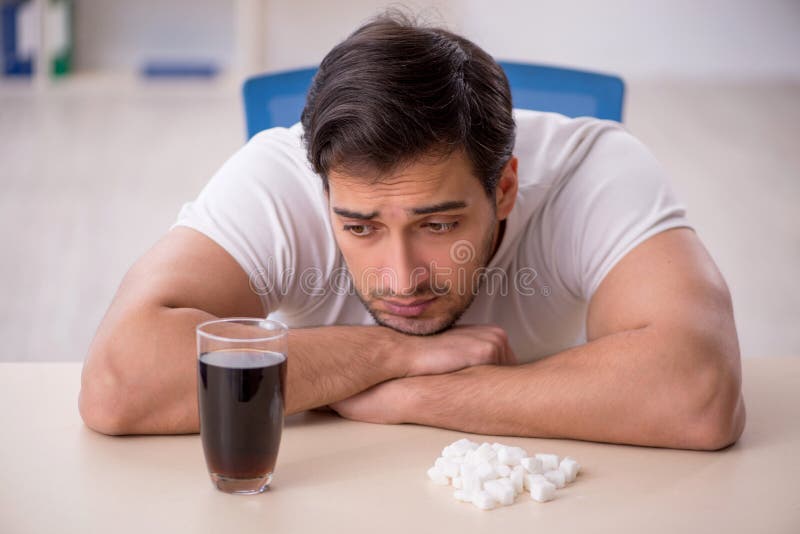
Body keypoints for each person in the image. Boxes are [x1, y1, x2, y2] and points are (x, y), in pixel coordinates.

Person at [79, 13, 745, 450]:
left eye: (439, 223)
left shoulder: (593, 168)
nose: (402, 279)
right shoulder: (278, 176)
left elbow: (698, 392)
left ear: (505, 186)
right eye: (360, 227)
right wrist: (391, 355)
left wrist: (418, 394)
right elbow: (117, 382)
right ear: (324, 192)